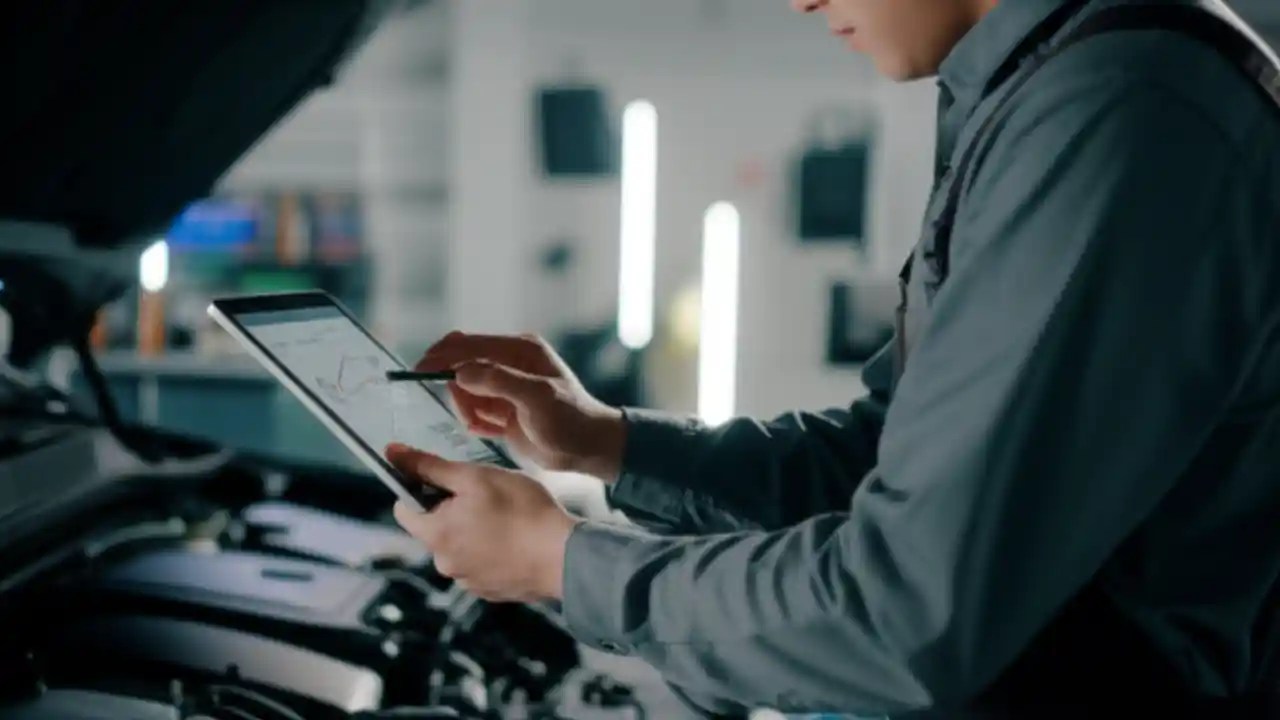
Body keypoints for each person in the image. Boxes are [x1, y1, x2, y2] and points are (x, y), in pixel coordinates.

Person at [386, 0, 1280, 715]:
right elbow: (886, 460)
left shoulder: (1114, 112)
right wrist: (606, 442)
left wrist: (561, 561)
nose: (799, 0)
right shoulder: (1042, 89)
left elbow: (907, 612)